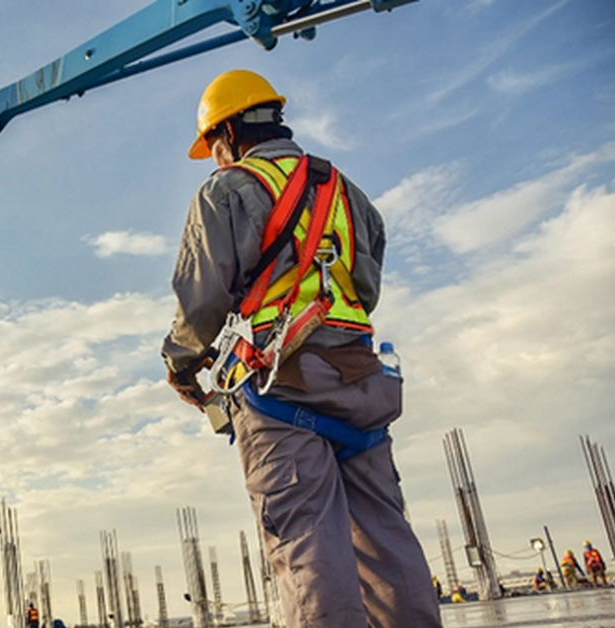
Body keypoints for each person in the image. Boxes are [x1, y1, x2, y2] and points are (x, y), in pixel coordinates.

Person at [161, 69, 441, 628]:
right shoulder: (344, 189)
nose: (215, 158)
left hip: (279, 386)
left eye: (214, 146)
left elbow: (202, 298)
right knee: (388, 540)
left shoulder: (226, 190)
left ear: (229, 134)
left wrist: (183, 364)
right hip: (361, 380)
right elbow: (365, 286)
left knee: (307, 546)